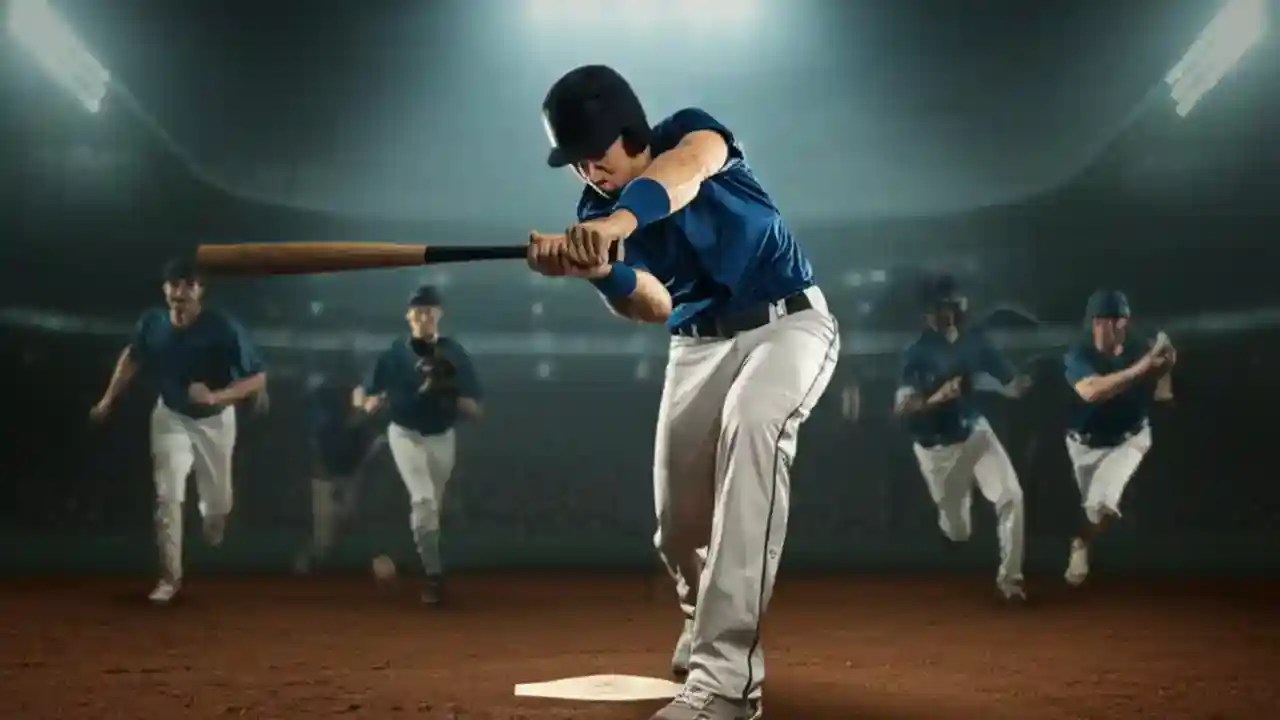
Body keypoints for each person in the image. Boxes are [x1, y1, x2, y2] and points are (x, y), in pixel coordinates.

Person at [528, 64, 840, 720]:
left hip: (788, 324)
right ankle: (700, 620)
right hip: (697, 344)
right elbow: (653, 304)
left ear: (629, 131)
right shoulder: (594, 210)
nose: (588, 171)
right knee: (678, 528)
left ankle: (727, 685)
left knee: (754, 431)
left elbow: (685, 174)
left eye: (596, 153)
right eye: (576, 162)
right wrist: (602, 272)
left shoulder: (691, 133)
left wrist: (615, 229)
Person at [89, 258, 266, 604]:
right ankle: (169, 578)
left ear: (200, 291)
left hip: (215, 420)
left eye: (188, 285)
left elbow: (258, 377)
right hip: (170, 415)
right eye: (174, 285)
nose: (179, 292)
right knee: (167, 494)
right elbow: (132, 357)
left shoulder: (223, 328)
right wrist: (108, 399)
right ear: (165, 289)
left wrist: (217, 395)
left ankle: (214, 516)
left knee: (218, 503)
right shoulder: (152, 323)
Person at [893, 275, 1031, 602]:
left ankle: (1011, 581)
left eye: (954, 304)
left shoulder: (976, 341)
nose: (949, 312)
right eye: (941, 307)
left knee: (1012, 495)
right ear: (929, 313)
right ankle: (951, 530)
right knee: (959, 530)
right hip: (937, 450)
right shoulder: (917, 353)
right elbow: (902, 407)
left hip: (974, 432)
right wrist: (936, 398)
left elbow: (1011, 383)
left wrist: (1019, 383)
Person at [358, 285, 482, 606]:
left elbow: (476, 408)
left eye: (429, 310)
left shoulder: (455, 352)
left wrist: (449, 389)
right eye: (418, 310)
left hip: (442, 435)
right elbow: (365, 391)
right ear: (408, 315)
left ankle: (420, 565)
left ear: (439, 314)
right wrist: (367, 402)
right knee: (424, 500)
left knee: (432, 512)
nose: (423, 316)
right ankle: (434, 577)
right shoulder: (395, 352)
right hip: (405, 432)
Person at [1062, 289, 1175, 586]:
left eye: (1113, 321)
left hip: (1129, 440)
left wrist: (1165, 372)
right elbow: (1092, 391)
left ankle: (1081, 543)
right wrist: (1141, 369)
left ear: (1125, 323)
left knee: (1103, 504)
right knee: (1095, 513)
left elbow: (1164, 384)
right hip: (1083, 444)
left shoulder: (1141, 348)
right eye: (1099, 321)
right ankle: (1082, 540)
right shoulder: (1078, 354)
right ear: (1091, 324)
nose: (1105, 328)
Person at [293, 356, 387, 575]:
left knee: (346, 521)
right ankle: (304, 567)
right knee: (323, 542)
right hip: (326, 478)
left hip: (348, 476)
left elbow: (364, 445)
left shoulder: (368, 429)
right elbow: (345, 427)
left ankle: (327, 563)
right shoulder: (326, 418)